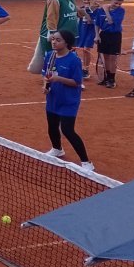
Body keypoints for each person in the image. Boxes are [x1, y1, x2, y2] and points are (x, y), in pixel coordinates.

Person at [40, 29, 93, 171]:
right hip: (53, 99)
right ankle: (57, 149)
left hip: (69, 101)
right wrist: (46, 86)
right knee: (52, 126)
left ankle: (86, 162)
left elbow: (76, 82)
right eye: (53, 39)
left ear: (66, 43)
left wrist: (58, 79)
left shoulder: (74, 60)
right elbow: (46, 74)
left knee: (67, 130)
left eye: (58, 40)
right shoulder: (50, 56)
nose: (54, 42)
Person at [93, 0, 126, 88]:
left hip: (115, 35)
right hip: (104, 34)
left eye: (120, 4)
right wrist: (97, 36)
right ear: (111, 0)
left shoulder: (121, 11)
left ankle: (112, 79)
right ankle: (107, 77)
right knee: (105, 57)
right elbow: (97, 23)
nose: (117, 5)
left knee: (112, 58)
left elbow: (111, 21)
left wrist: (106, 10)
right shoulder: (100, 11)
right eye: (116, 3)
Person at [75, 0, 98, 81]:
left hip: (90, 31)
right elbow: (79, 15)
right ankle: (82, 68)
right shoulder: (82, 8)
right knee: (81, 50)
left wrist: (90, 9)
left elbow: (92, 21)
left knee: (86, 49)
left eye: (88, 0)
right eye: (84, 0)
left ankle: (86, 69)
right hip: (82, 30)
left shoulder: (96, 9)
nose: (86, 2)